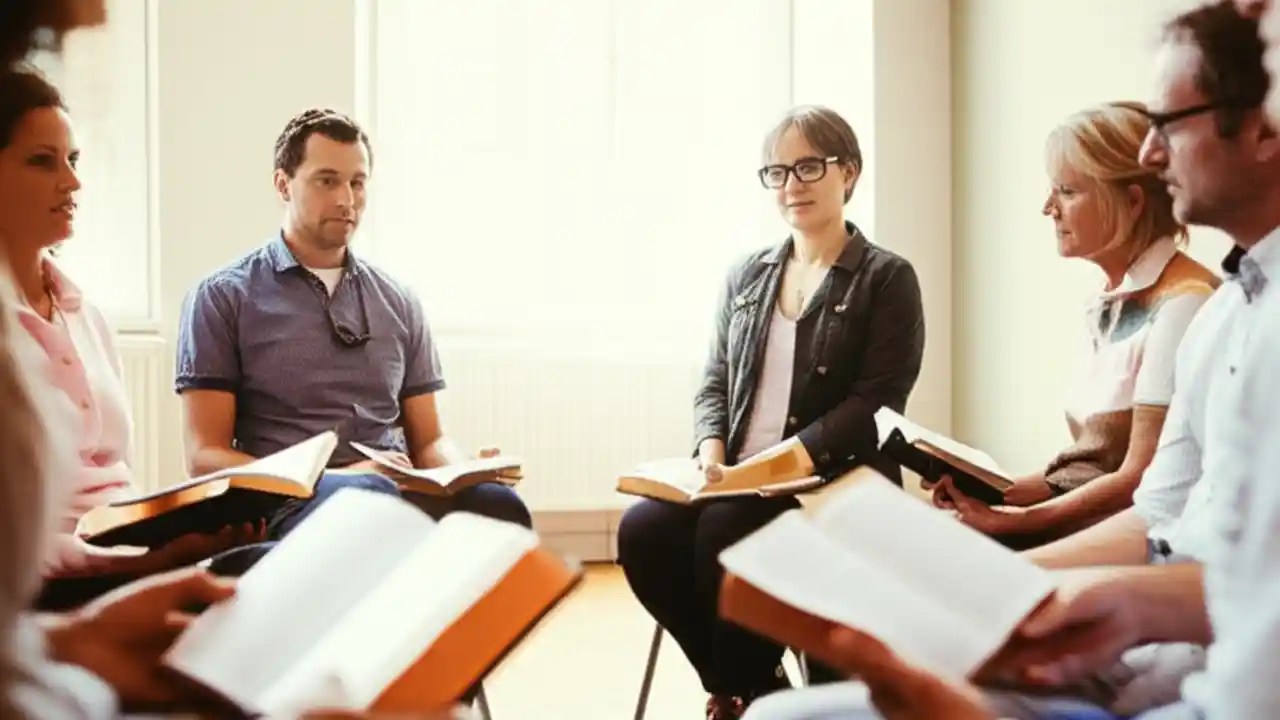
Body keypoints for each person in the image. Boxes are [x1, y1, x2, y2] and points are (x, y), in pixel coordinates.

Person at [745, 2, 1280, 718]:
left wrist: (1013, 558)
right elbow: (1165, 516)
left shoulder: (1190, 306)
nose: (1155, 157)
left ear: (1262, 126)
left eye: (1168, 126)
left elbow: (1155, 512)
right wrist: (1013, 577)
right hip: (1147, 619)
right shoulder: (1224, 315)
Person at [617, 104, 926, 719]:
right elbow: (714, 382)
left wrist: (773, 468)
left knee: (726, 529)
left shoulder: (887, 278)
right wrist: (712, 456)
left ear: (851, 173)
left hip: (829, 482)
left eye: (809, 166)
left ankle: (738, 693)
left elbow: (874, 405)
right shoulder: (748, 273)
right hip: (735, 478)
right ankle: (755, 687)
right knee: (643, 530)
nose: (792, 185)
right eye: (777, 171)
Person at [175, 107, 531, 531]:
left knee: (499, 506)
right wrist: (340, 478)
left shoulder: (398, 300)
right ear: (282, 185)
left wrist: (460, 471)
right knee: (371, 498)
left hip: (395, 489)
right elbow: (205, 456)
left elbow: (430, 440)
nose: (346, 199)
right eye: (327, 181)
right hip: (292, 498)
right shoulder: (222, 296)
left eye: (357, 183)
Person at [931, 102, 1217, 549]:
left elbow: (1138, 478)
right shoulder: (1107, 303)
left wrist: (1020, 523)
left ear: (1133, 202)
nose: (1049, 208)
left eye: (1066, 190)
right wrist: (992, 491)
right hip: (1096, 528)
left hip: (1150, 542)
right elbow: (1089, 466)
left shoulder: (1182, 304)